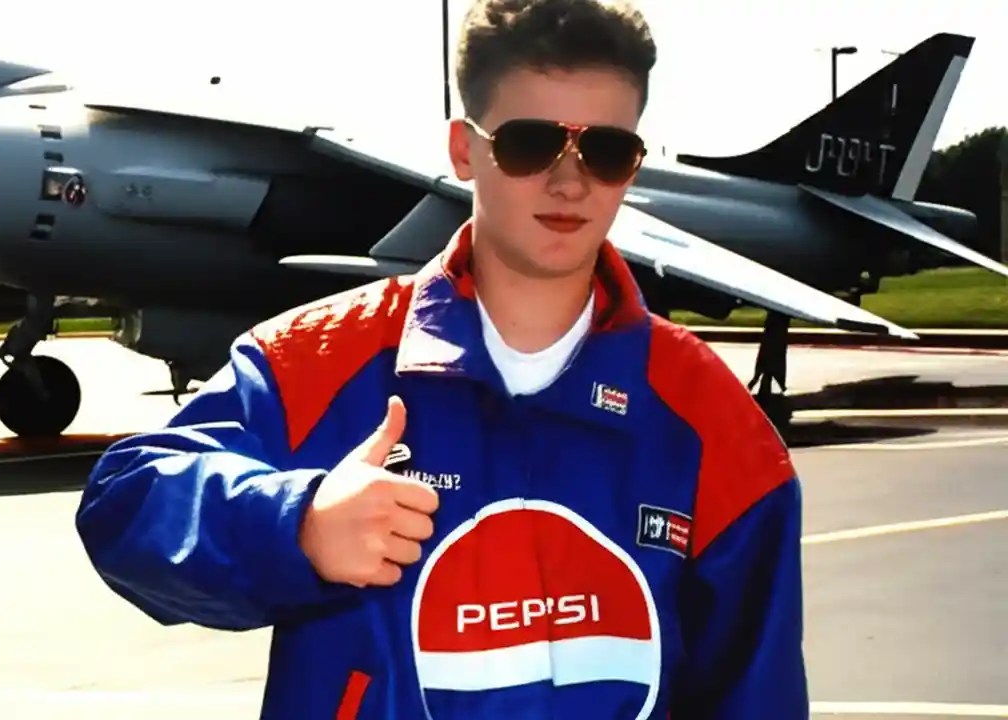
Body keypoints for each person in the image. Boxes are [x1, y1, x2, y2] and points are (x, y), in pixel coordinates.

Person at [75, 0, 809, 717]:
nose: (570, 179)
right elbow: (125, 502)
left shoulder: (712, 421)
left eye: (607, 151)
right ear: (465, 149)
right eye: (531, 143)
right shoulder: (319, 364)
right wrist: (293, 525)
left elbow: (760, 691)